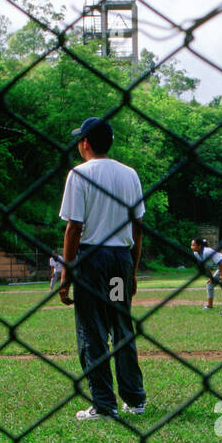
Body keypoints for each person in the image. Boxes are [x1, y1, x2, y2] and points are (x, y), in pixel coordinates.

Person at [58, 116, 147, 420]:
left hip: (91, 260)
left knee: (92, 331)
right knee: (121, 326)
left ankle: (104, 404)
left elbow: (73, 228)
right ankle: (135, 399)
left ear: (85, 143)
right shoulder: (129, 174)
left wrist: (66, 273)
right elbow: (137, 228)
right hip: (120, 258)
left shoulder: (79, 174)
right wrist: (132, 270)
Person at [190, 238, 222, 314]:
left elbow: (220, 262)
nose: (191, 247)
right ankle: (209, 306)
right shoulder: (196, 254)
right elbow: (205, 266)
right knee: (209, 284)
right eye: (191, 245)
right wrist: (211, 277)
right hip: (220, 268)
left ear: (199, 246)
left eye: (193, 245)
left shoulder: (208, 252)